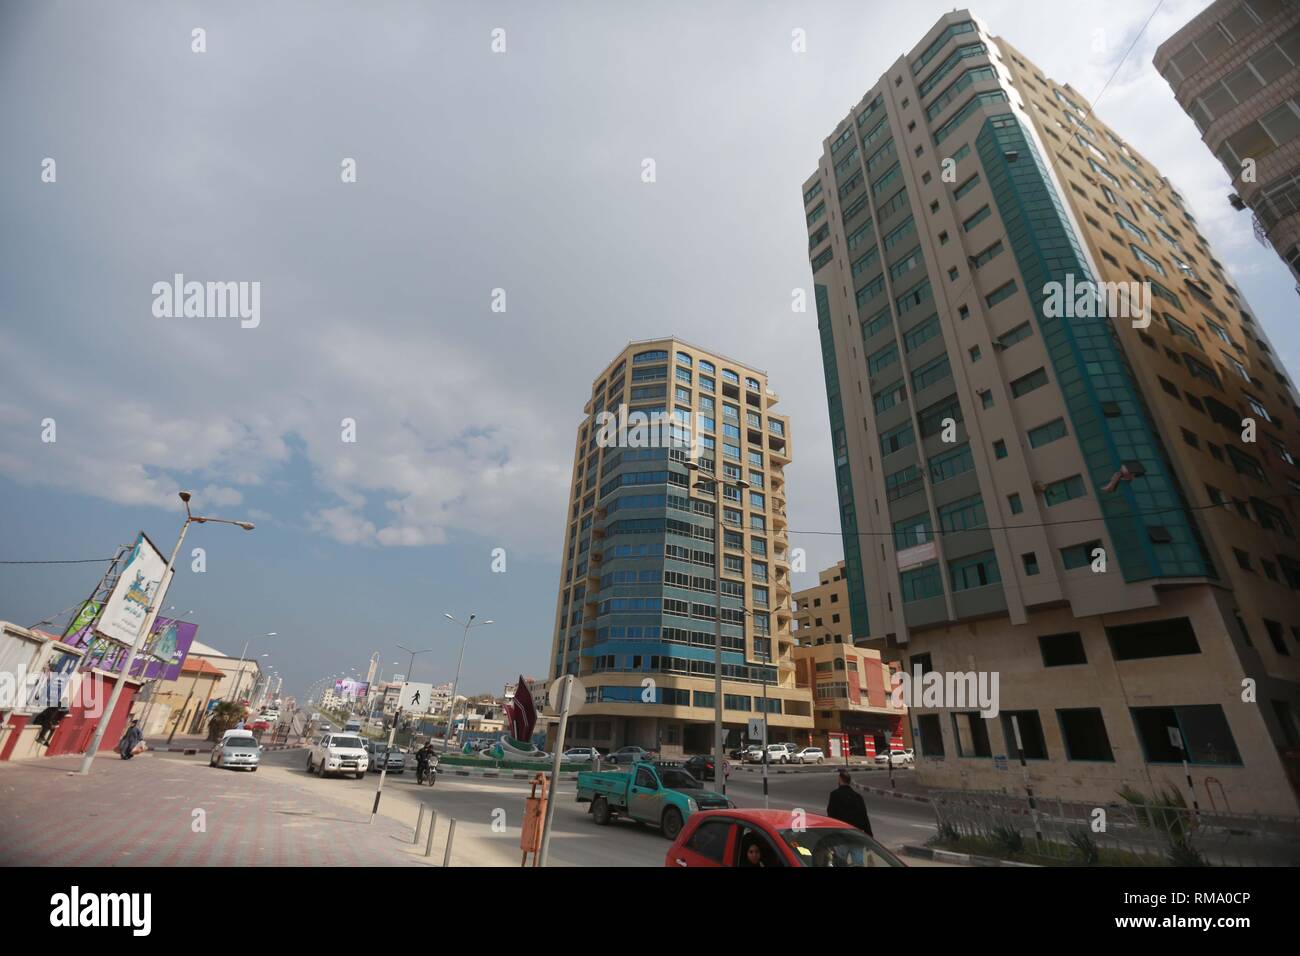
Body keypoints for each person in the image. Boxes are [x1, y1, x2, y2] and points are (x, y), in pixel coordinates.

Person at [825, 769, 873, 837]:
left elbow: (831, 814)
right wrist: (869, 836)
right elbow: (864, 816)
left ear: (840, 779)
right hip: (856, 833)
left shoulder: (835, 795)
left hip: (841, 833)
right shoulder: (858, 797)